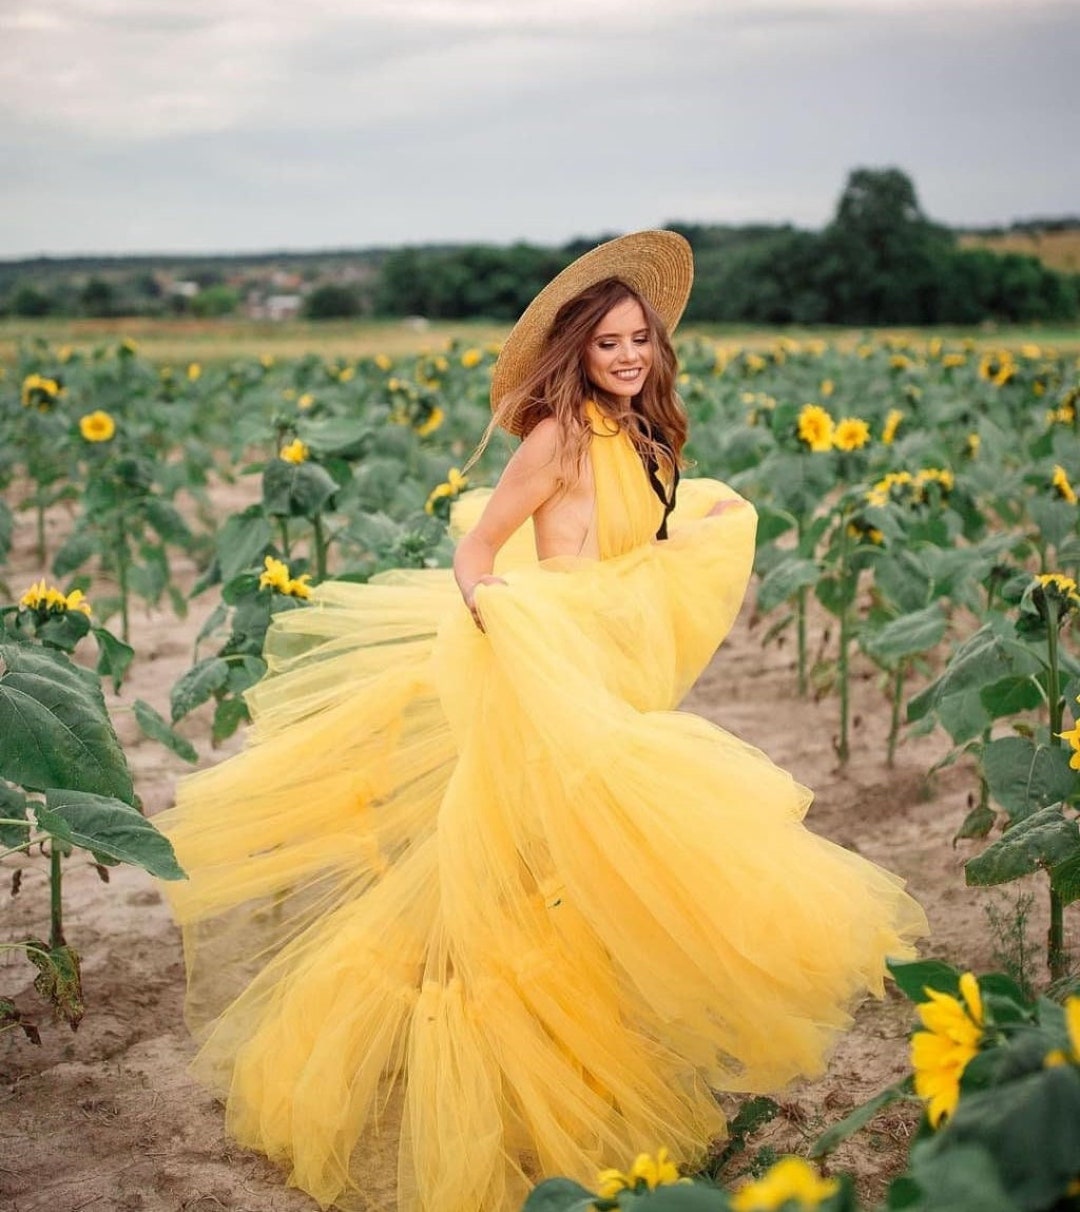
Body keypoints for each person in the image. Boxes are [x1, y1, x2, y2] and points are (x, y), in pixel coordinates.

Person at [157, 231, 928, 1212]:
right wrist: (497, 615)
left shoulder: (647, 438)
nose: (627, 356)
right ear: (577, 351)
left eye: (639, 339)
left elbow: (631, 553)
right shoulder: (556, 437)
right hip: (541, 661)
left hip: (601, 664)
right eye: (608, 342)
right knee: (522, 866)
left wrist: (691, 535)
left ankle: (575, 1059)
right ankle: (481, 1082)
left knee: (576, 865)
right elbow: (478, 551)